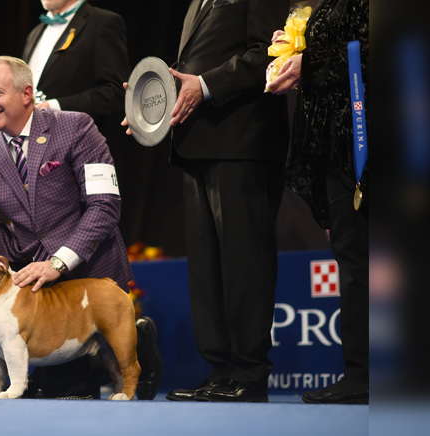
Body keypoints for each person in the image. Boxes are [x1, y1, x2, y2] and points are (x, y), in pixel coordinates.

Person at [0, 56, 162, 400]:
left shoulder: (76, 126)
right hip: (24, 255)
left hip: (81, 261)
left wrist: (58, 263)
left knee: (66, 393)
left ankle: (136, 342)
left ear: (26, 94)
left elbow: (105, 206)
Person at [124, 0, 289, 402]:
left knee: (244, 261)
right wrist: (154, 100)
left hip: (243, 142)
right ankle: (220, 371)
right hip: (195, 143)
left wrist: (206, 85)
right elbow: (188, 71)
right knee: (206, 267)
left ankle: (249, 374)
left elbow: (266, 54)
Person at [268, 0, 369, 404]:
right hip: (336, 146)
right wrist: (292, 48)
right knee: (353, 256)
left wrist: (307, 63)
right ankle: (361, 373)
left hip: (368, 137)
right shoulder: (321, 5)